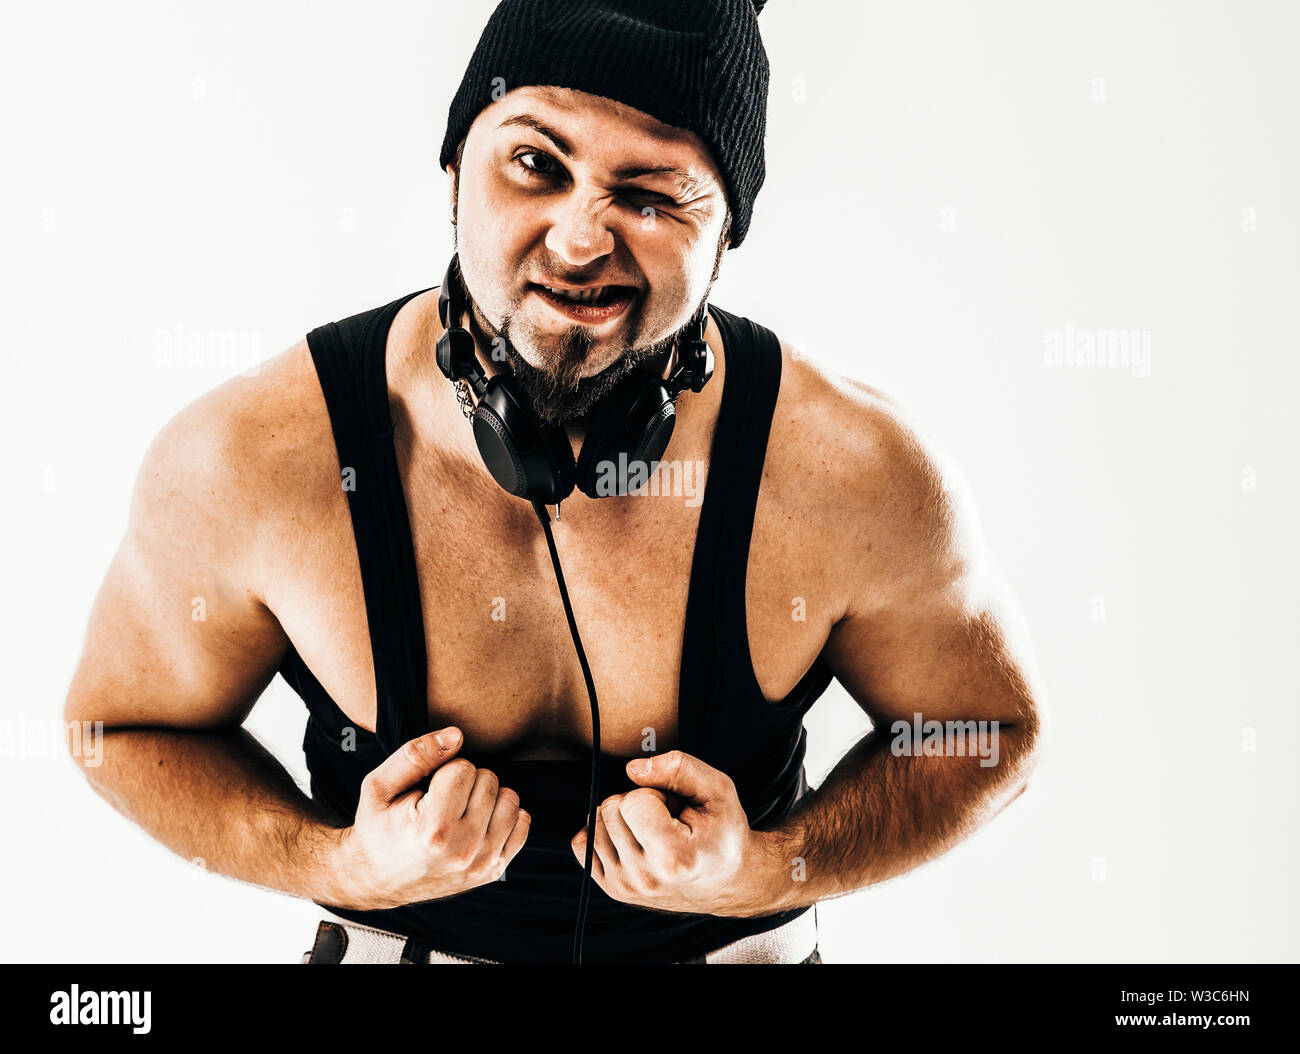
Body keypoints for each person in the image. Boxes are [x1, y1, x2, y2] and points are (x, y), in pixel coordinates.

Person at [63, 0, 1044, 964]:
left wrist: (775, 866)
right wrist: (339, 861)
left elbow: (990, 728)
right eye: (535, 164)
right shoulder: (256, 458)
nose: (579, 243)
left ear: (727, 234)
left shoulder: (850, 473)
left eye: (653, 193)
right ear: (454, 172)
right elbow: (121, 725)